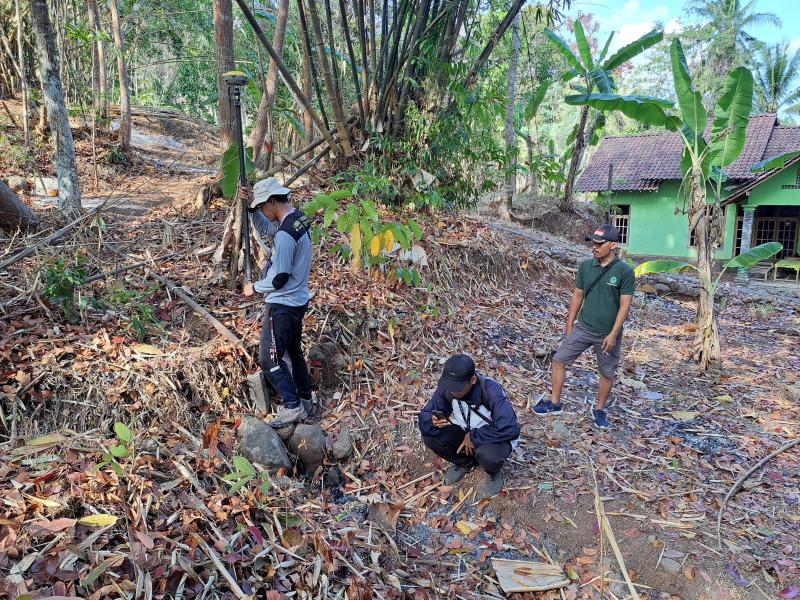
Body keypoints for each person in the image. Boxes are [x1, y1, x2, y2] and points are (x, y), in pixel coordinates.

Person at [534, 223, 635, 429]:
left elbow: (625, 306)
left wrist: (613, 334)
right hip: (584, 327)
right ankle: (555, 403)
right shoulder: (586, 267)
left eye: (599, 244)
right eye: (593, 243)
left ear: (613, 245)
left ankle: (599, 410)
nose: (594, 247)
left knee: (607, 373)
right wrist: (569, 324)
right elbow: (578, 295)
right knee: (559, 360)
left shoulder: (624, 272)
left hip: (608, 333)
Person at [242, 177, 313, 428]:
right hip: (299, 300)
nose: (263, 210)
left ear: (272, 201)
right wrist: (252, 208)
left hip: (282, 304)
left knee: (269, 359)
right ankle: (306, 399)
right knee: (293, 351)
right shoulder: (298, 220)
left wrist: (254, 288)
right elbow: (267, 230)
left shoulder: (284, 235)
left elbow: (280, 277)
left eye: (263, 206)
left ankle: (292, 406)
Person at [418, 355, 521, 498]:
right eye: (450, 386)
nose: (452, 391)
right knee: (430, 435)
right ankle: (464, 463)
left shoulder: (490, 390)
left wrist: (474, 437)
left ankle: (493, 472)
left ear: (472, 380)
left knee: (488, 456)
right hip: (464, 431)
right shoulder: (448, 388)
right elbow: (426, 414)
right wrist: (432, 419)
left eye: (457, 388)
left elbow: (510, 427)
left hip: (492, 437)